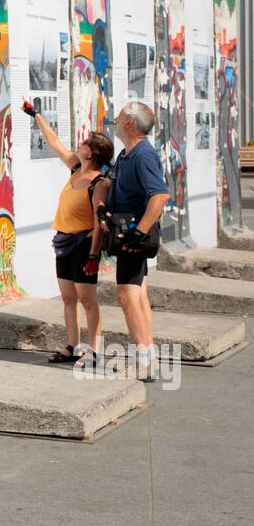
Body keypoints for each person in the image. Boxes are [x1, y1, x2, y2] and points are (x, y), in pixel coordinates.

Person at [21, 100, 114, 368]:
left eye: (85, 143)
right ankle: (72, 346)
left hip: (85, 245)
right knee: (68, 298)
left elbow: (98, 223)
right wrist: (36, 115)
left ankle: (93, 350)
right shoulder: (75, 167)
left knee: (87, 299)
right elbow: (53, 142)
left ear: (93, 153)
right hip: (63, 242)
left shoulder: (100, 182)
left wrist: (94, 255)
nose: (80, 145)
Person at [93, 101, 170, 381]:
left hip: (132, 236)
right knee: (138, 295)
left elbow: (160, 196)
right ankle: (148, 359)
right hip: (127, 232)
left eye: (120, 115)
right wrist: (102, 209)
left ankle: (143, 363)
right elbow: (109, 184)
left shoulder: (143, 156)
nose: (114, 118)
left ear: (128, 123)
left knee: (127, 295)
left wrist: (139, 233)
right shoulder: (127, 154)